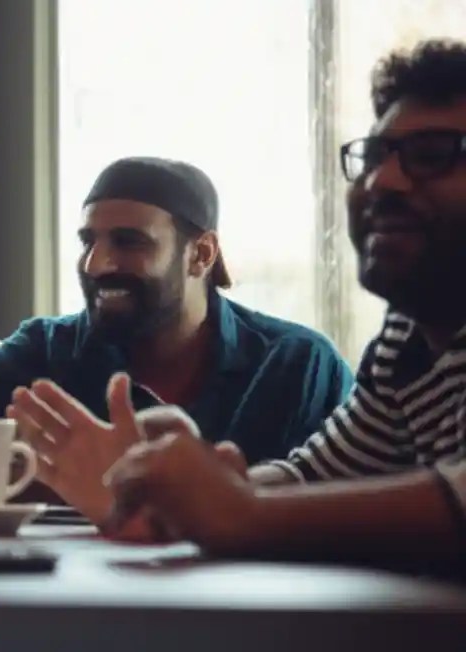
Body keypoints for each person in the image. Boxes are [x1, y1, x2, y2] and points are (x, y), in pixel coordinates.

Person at [93, 39, 466, 558]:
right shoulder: (407, 343)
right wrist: (206, 484)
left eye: (432, 156)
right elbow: (322, 474)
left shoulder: (300, 356)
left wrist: (244, 511)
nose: (383, 181)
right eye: (375, 157)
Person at [0, 157, 353, 510]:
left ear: (201, 255)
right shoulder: (44, 353)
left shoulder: (296, 363)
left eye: (129, 242)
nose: (97, 264)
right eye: (88, 241)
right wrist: (48, 480)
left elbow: (340, 506)